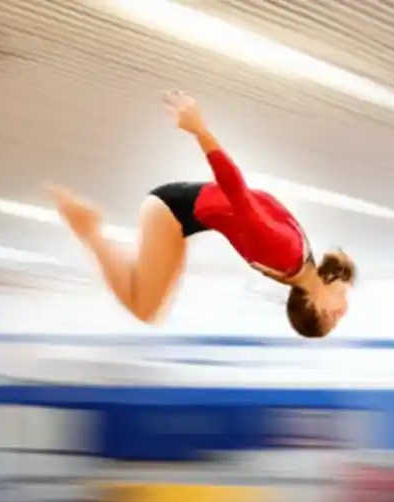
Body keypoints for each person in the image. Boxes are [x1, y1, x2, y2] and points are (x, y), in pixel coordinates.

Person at [47, 91, 353, 337]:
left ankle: (105, 241)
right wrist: (199, 129)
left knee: (155, 306)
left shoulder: (294, 263)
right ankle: (90, 230)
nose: (343, 311)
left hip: (185, 213)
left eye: (333, 318)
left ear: (313, 304)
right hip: (173, 210)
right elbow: (238, 194)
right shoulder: (287, 256)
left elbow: (242, 200)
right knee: (145, 309)